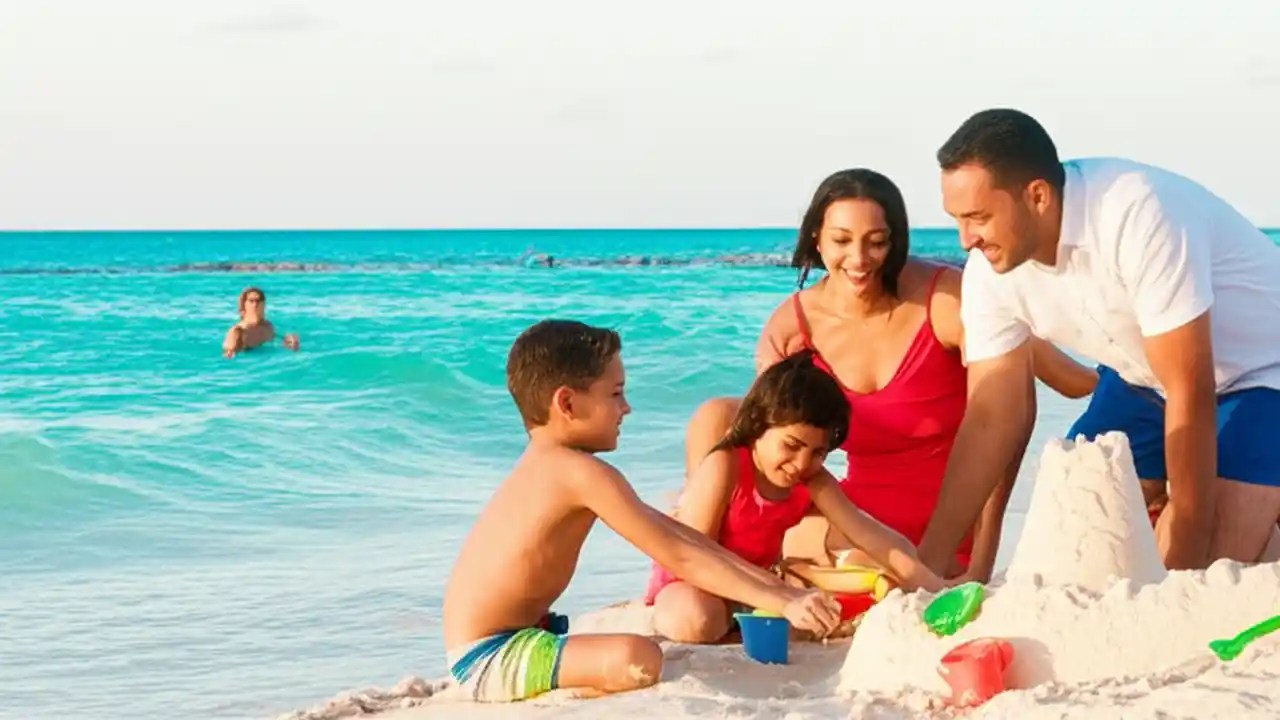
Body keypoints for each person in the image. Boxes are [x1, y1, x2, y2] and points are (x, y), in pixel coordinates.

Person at [919, 108, 1280, 573]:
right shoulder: (989, 273)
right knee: (1078, 519)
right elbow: (990, 418)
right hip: (1141, 379)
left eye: (978, 217)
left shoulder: (1139, 214)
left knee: (1201, 564)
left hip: (1263, 377)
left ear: (1038, 196)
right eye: (957, 219)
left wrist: (1181, 576)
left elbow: (1189, 389)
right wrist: (927, 563)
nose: (966, 238)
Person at [441, 320, 841, 704]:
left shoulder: (556, 463)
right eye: (615, 394)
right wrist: (785, 600)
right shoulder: (576, 472)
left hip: (512, 639)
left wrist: (783, 592)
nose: (627, 408)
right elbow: (677, 554)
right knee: (640, 658)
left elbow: (684, 537)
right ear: (566, 402)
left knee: (637, 650)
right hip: (490, 657)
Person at [727, 169, 1095, 584]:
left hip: (949, 526)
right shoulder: (792, 329)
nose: (860, 259)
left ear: (896, 240)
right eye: (842, 240)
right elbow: (769, 453)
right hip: (860, 521)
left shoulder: (946, 299)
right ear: (816, 237)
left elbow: (1029, 404)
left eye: (877, 242)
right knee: (783, 537)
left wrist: (983, 555)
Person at [646, 350, 945, 644]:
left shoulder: (812, 480)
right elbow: (696, 557)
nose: (801, 463)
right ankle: (747, 625)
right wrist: (777, 595)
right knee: (694, 618)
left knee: (883, 588)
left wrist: (931, 583)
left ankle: (753, 623)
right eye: (791, 445)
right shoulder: (727, 464)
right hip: (695, 583)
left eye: (817, 453)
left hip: (762, 589)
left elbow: (868, 533)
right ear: (757, 425)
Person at [222, 287, 300, 358]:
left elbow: (274, 340)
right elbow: (228, 358)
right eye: (251, 301)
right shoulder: (238, 331)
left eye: (258, 300)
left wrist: (288, 342)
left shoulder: (268, 326)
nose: (255, 304)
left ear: (264, 304)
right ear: (244, 304)